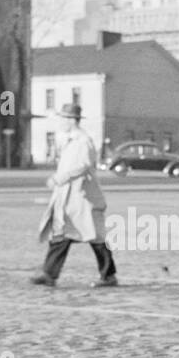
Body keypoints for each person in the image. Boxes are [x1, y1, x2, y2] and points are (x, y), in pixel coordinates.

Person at [31, 103, 118, 288]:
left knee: (95, 237)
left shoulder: (82, 140)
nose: (61, 122)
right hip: (69, 197)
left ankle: (109, 275)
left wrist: (59, 178)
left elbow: (84, 165)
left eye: (63, 118)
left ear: (72, 120)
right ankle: (49, 273)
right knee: (60, 233)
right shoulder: (70, 140)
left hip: (83, 198)